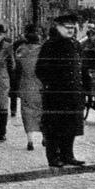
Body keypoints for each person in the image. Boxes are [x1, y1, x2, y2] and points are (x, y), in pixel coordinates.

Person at [36, 15, 86, 168]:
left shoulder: (75, 45)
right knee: (54, 127)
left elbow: (80, 69)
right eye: (67, 28)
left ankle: (68, 155)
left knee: (71, 126)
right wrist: (52, 86)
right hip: (56, 95)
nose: (70, 30)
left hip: (73, 94)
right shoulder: (50, 45)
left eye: (72, 28)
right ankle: (54, 157)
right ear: (58, 27)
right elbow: (40, 70)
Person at [15, 26, 44, 151]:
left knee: (26, 112)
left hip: (26, 84)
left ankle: (30, 140)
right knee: (42, 111)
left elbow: (16, 65)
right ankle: (44, 137)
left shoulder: (21, 50)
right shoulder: (43, 51)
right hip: (40, 85)